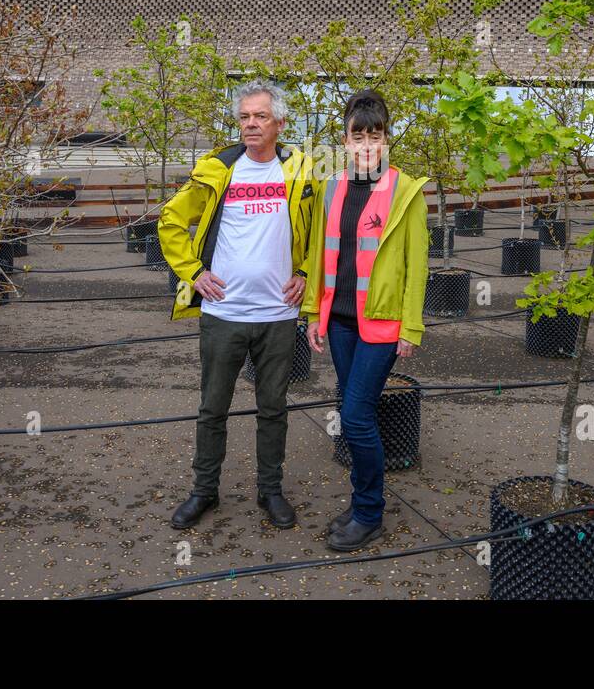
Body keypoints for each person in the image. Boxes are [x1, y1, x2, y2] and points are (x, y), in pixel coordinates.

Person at [158, 80, 314, 530]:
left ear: (280, 123)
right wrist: (192, 272)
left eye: (260, 116)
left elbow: (319, 230)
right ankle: (203, 491)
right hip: (223, 314)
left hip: (278, 316)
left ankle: (271, 491)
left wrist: (304, 272)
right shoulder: (218, 171)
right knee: (213, 408)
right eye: (245, 116)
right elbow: (171, 219)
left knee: (274, 408)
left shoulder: (300, 171)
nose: (251, 124)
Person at [301, 89, 429, 551]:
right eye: (359, 137)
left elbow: (418, 264)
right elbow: (320, 253)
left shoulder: (405, 192)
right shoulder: (333, 187)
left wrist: (411, 327)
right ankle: (361, 504)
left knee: (355, 415)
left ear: (387, 138)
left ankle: (369, 513)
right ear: (346, 139)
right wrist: (315, 312)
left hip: (381, 324)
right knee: (355, 409)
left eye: (376, 136)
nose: (367, 145)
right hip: (339, 321)